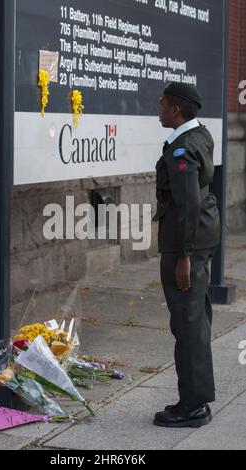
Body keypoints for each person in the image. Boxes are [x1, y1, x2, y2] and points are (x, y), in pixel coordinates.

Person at [152, 82, 221, 428]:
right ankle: (196, 399)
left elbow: (188, 204)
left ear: (176, 109)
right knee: (194, 321)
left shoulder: (182, 148)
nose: (159, 107)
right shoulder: (200, 136)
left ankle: (192, 406)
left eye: (163, 103)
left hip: (185, 243)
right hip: (198, 239)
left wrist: (184, 256)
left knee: (187, 324)